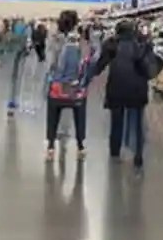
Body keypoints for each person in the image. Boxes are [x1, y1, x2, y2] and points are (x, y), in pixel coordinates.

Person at [92, 20, 156, 169]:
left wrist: (89, 74)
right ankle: (138, 153)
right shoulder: (142, 44)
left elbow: (99, 65)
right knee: (137, 123)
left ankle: (115, 151)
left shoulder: (111, 44)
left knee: (117, 121)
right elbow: (150, 65)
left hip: (117, 88)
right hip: (137, 89)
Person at [45, 10, 92, 161]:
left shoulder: (54, 40)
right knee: (79, 116)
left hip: (57, 87)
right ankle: (80, 147)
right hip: (76, 87)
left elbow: (50, 63)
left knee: (53, 117)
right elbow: (86, 61)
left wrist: (52, 77)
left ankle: (51, 148)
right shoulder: (80, 41)